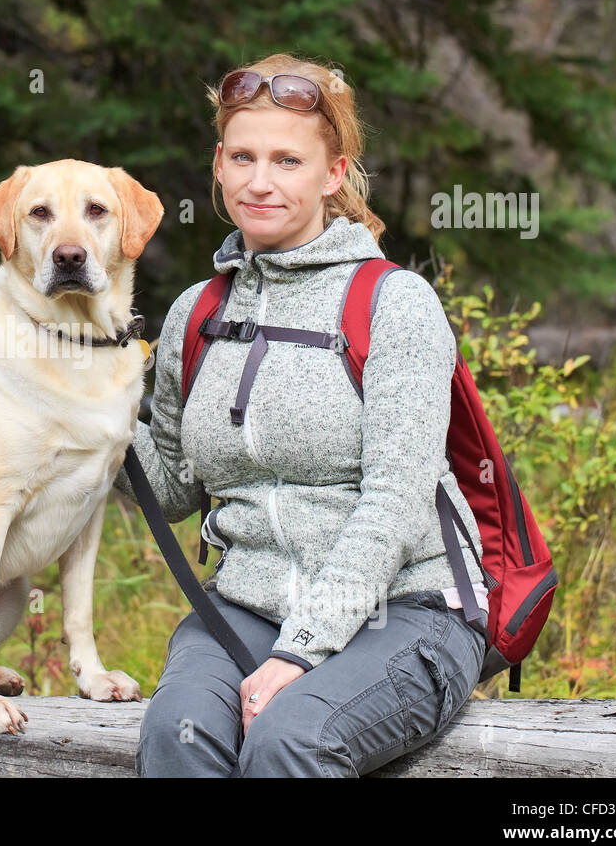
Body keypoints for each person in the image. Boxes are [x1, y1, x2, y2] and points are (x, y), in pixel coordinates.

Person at [111, 53, 488, 777]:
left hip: (409, 609)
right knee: (175, 737)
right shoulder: (199, 313)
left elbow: (397, 503)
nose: (260, 181)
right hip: (247, 609)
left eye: (288, 160)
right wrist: (91, 411)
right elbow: (174, 493)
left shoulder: (394, 303)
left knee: (292, 740)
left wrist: (302, 650)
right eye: (244, 157)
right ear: (218, 165)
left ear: (333, 173)